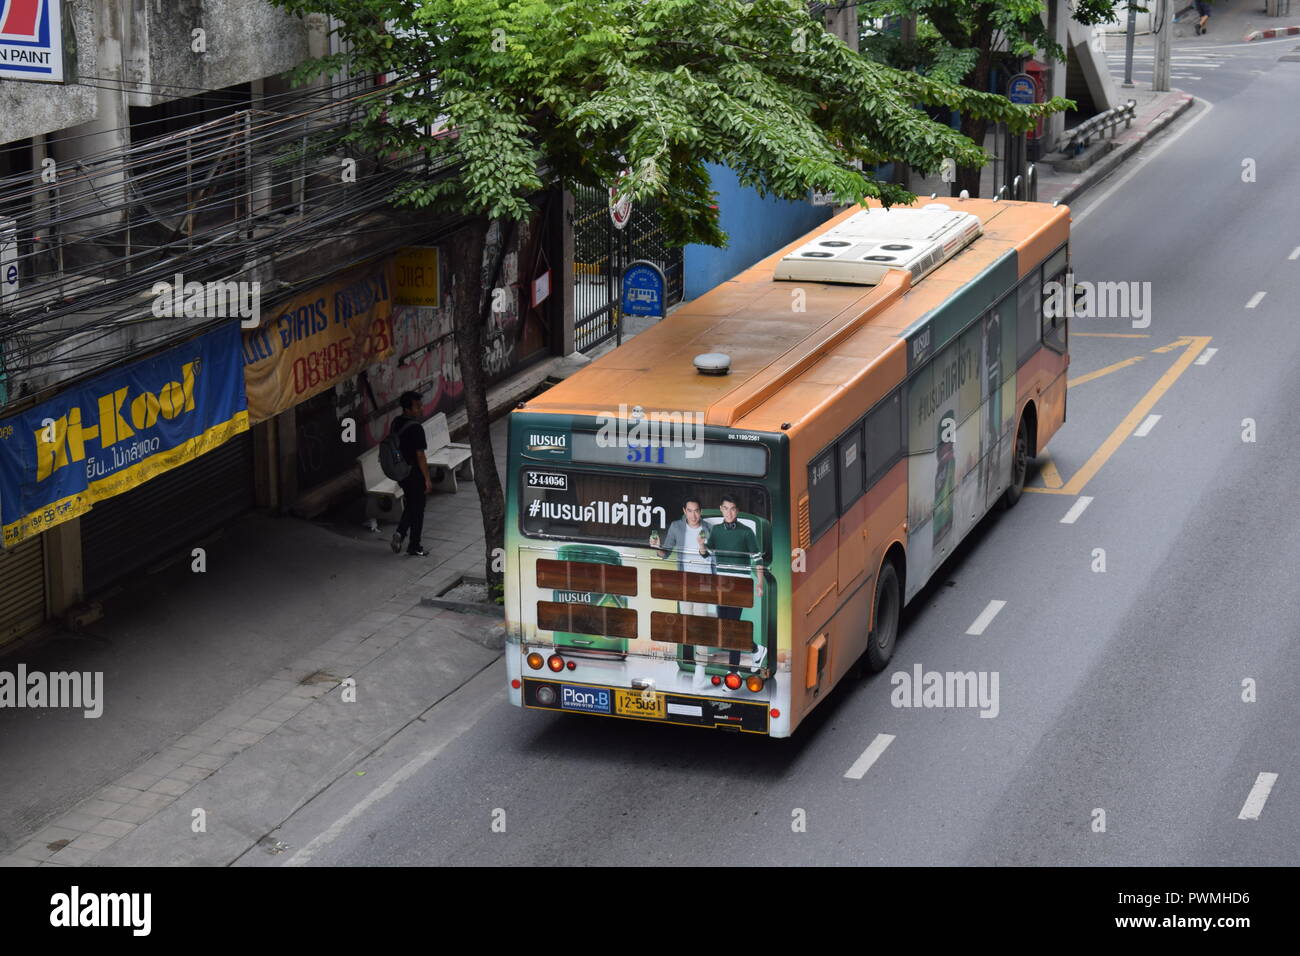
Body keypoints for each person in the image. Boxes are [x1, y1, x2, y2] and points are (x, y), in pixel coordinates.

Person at [652, 498, 717, 689]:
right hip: (685, 581)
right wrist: (657, 548)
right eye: (690, 511)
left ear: (701, 511)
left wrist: (703, 548)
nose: (693, 515)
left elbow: (713, 555)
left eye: (696, 511)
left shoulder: (710, 529)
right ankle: (695, 663)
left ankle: (700, 668)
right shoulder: (676, 527)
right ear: (684, 511)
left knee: (700, 626)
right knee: (688, 625)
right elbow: (666, 552)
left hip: (704, 582)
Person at [700, 494, 766, 671]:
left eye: (733, 508)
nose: (729, 512)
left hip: (740, 585)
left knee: (733, 627)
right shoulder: (717, 531)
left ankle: (733, 671)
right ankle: (756, 649)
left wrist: (759, 583)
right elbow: (707, 554)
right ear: (721, 509)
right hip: (722, 583)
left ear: (737, 511)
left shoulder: (746, 532)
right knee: (725, 627)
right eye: (726, 508)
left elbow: (757, 559)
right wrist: (701, 545)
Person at [389, 391, 433, 557]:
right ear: (407, 409)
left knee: (412, 503)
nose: (421, 409)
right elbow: (420, 456)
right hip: (414, 473)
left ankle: (401, 533)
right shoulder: (416, 428)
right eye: (417, 407)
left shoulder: (396, 423)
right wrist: (427, 479)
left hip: (400, 472)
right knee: (418, 508)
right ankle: (414, 545)